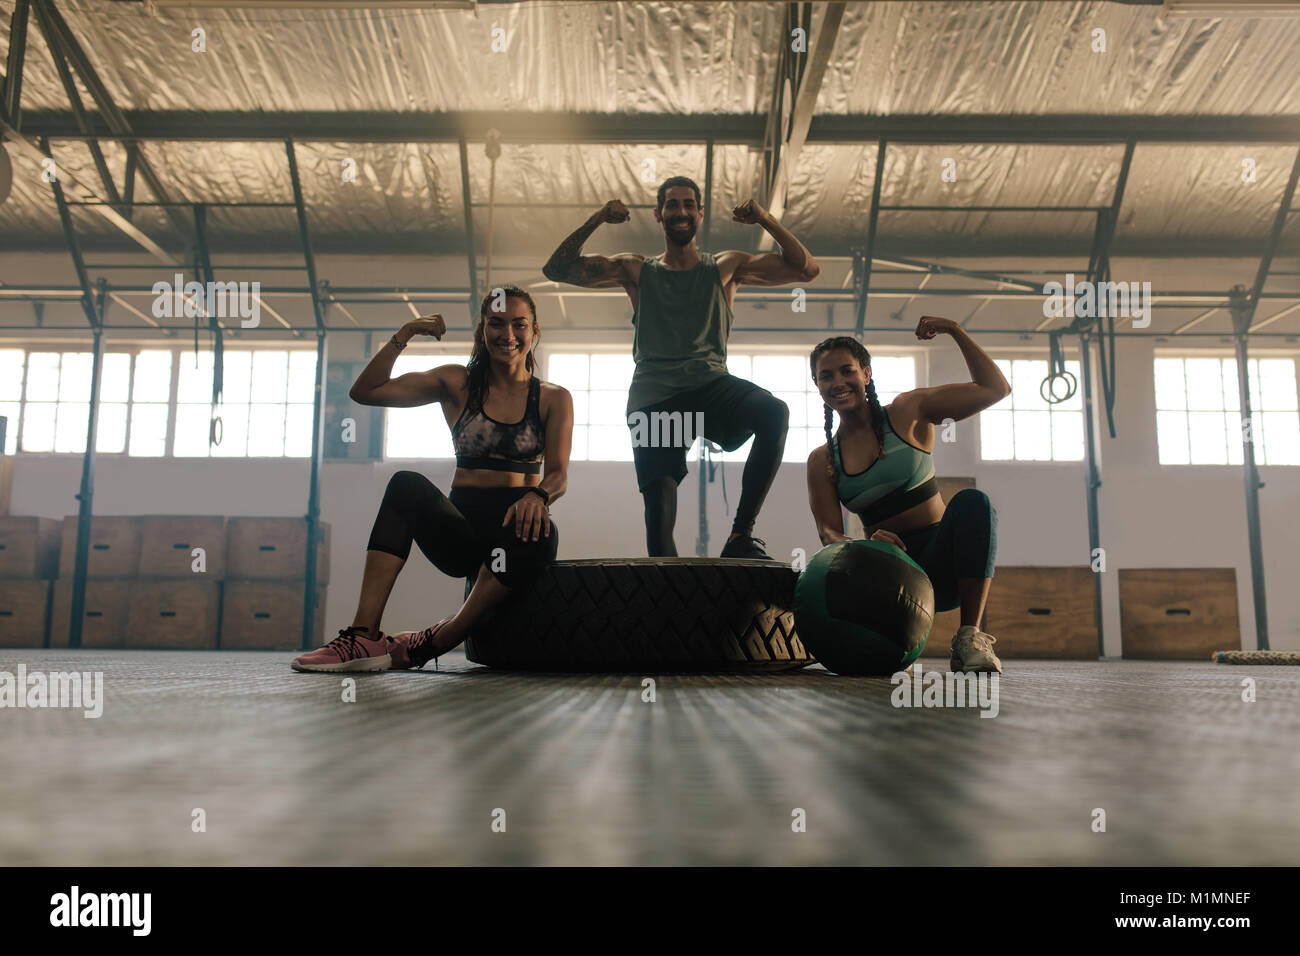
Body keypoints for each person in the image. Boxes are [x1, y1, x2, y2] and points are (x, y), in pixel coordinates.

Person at [291, 285, 573, 673]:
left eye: (518, 324)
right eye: (496, 324)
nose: (508, 335)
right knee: (405, 483)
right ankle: (363, 636)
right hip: (461, 535)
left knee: (544, 531)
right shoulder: (457, 382)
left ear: (534, 331)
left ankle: (443, 637)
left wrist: (538, 495)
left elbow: (558, 475)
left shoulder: (554, 398)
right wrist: (402, 336)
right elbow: (365, 391)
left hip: (514, 535)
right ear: (482, 330)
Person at [542, 176, 820, 559]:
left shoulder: (726, 267)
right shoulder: (637, 270)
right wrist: (598, 218)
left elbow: (806, 270)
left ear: (700, 214)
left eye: (689, 204)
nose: (681, 211)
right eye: (672, 205)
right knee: (659, 510)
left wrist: (764, 218)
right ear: (659, 215)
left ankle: (740, 536)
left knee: (774, 412)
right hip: (655, 398)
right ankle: (666, 595)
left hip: (710, 387)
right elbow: (556, 269)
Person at [805, 319, 1010, 673]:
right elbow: (829, 534)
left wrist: (954, 330)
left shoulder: (908, 411)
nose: (837, 382)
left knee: (974, 502)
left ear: (866, 374)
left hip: (943, 565)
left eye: (847, 371)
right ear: (817, 385)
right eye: (826, 376)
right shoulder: (823, 459)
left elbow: (994, 388)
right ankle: (886, 642)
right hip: (891, 574)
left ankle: (969, 638)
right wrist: (863, 547)